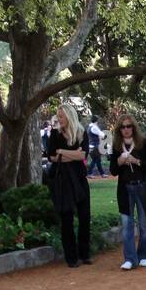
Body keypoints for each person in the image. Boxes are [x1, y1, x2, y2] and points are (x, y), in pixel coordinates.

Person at [44, 102, 91, 268]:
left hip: (79, 179)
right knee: (67, 220)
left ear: (69, 117)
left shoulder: (81, 133)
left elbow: (82, 156)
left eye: (61, 116)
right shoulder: (55, 135)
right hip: (63, 181)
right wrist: (73, 154)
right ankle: (71, 258)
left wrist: (62, 152)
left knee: (85, 217)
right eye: (58, 116)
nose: (59, 118)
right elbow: (51, 157)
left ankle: (84, 254)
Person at [109, 114, 146, 270]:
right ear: (119, 129)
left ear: (134, 127)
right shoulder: (117, 146)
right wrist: (119, 161)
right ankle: (130, 258)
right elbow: (113, 171)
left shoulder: (143, 143)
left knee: (144, 224)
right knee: (127, 224)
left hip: (142, 187)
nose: (126, 129)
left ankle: (144, 254)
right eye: (122, 127)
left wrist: (137, 161)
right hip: (124, 189)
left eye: (129, 126)